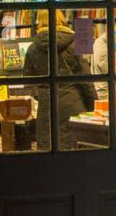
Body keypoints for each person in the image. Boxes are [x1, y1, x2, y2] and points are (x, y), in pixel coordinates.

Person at [23, 9, 98, 151]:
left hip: (47, 111)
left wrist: (45, 95)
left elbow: (29, 84)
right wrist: (94, 108)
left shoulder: (33, 48)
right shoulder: (75, 43)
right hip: (74, 106)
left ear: (39, 22)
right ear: (62, 19)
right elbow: (86, 81)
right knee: (76, 154)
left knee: (49, 155)